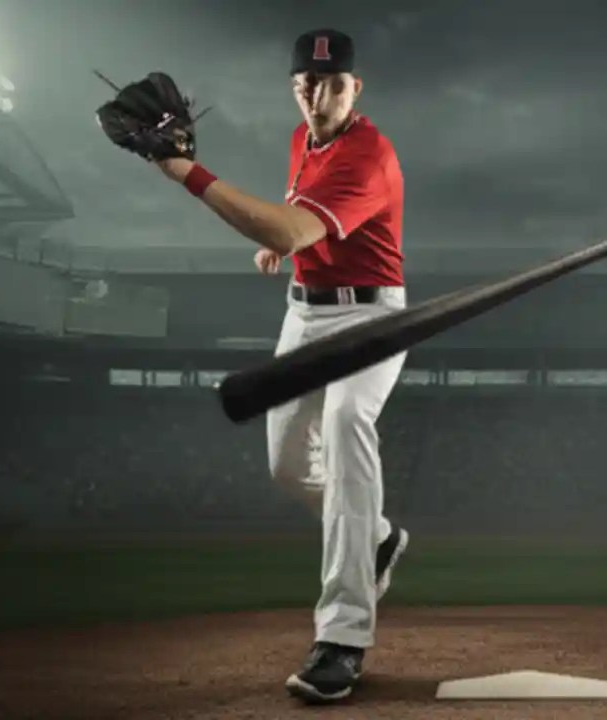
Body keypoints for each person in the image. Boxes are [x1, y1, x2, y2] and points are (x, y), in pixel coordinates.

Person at [149, 28, 410, 704]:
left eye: (332, 84)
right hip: (304, 313)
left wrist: (187, 172)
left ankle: (342, 635)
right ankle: (377, 538)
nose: (317, 97)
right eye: (306, 84)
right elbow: (297, 218)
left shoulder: (370, 154)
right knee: (288, 465)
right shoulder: (303, 139)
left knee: (347, 424)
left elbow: (291, 226)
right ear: (296, 86)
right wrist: (287, 246)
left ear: (355, 87)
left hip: (370, 318)